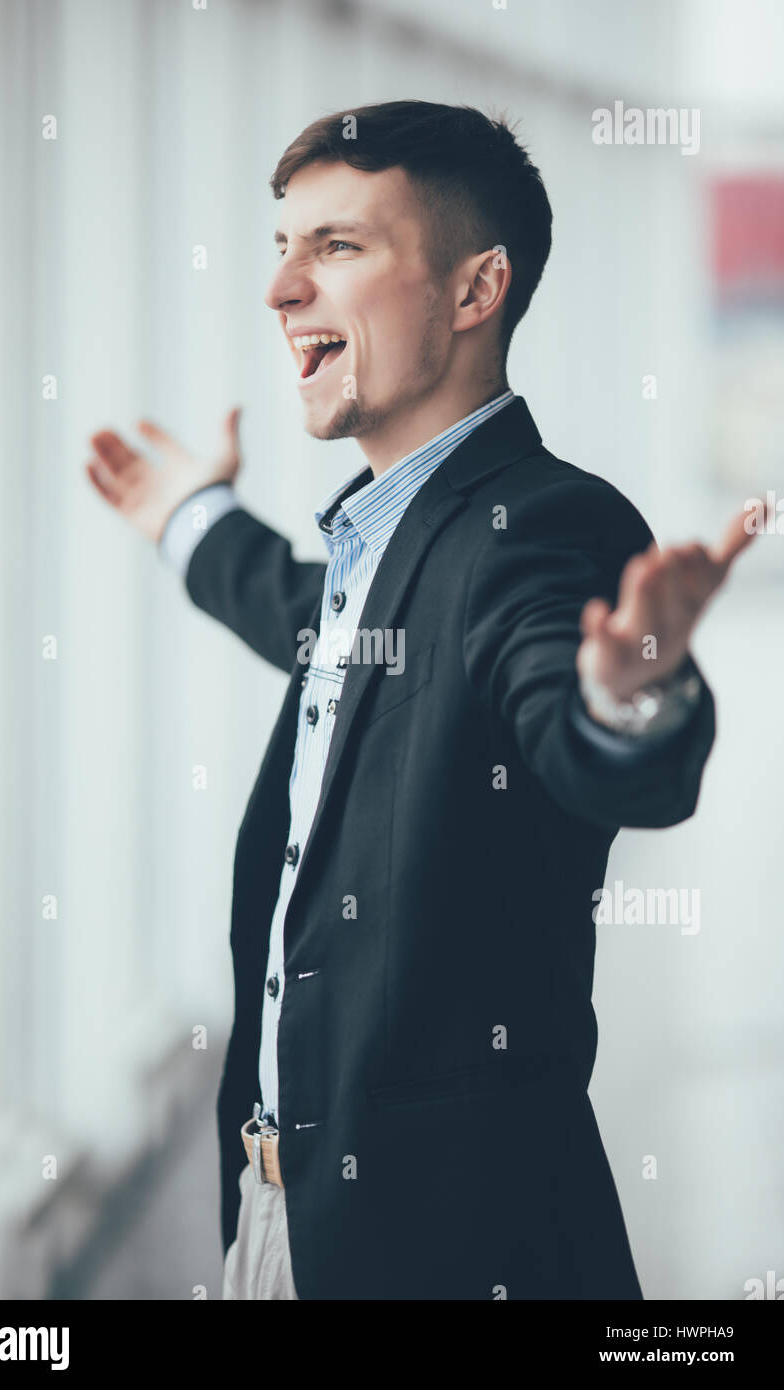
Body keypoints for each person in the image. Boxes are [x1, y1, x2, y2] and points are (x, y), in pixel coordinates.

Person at [86, 101, 758, 1300]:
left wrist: (622, 694)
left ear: (472, 288)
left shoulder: (540, 526)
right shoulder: (386, 543)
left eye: (335, 247)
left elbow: (571, 711)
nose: (280, 287)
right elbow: (313, 618)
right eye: (279, 246)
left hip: (439, 1247)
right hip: (280, 1215)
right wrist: (192, 523)